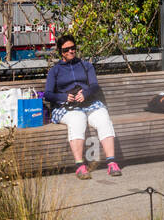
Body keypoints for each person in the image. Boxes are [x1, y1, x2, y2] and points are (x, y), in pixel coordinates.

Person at [43, 35, 121, 179]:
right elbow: (47, 94)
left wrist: (85, 93)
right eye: (67, 49)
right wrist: (64, 97)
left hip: (88, 103)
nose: (71, 51)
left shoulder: (86, 66)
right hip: (66, 107)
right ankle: (80, 165)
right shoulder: (55, 71)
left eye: (73, 48)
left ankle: (111, 162)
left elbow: (94, 85)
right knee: (77, 119)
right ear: (61, 51)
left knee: (104, 118)